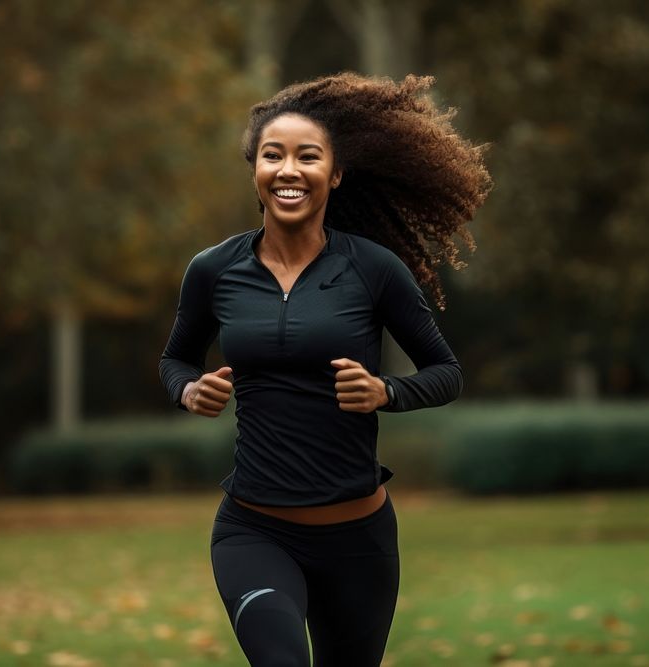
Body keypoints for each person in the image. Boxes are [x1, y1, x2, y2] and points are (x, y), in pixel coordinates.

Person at [159, 72, 491, 666]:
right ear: (255, 172)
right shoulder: (213, 270)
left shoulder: (373, 269)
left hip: (357, 539)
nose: (289, 170)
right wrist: (188, 389)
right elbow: (175, 358)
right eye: (272, 155)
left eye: (307, 157)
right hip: (254, 531)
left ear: (334, 174)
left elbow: (446, 371)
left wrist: (385, 391)